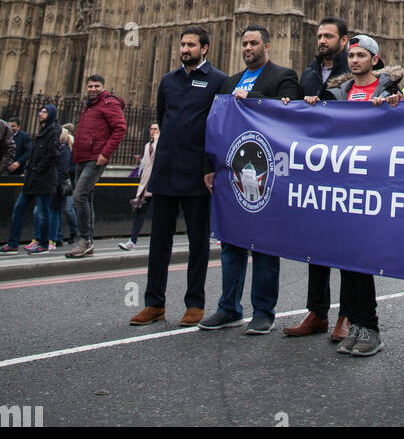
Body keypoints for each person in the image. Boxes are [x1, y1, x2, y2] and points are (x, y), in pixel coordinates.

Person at [199, 25, 300, 334]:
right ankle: (228, 307)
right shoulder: (228, 82)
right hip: (232, 173)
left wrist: (252, 97)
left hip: (267, 173)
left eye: (254, 43)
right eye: (244, 43)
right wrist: (210, 166)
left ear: (267, 46)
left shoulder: (284, 77)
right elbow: (216, 125)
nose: (247, 48)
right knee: (231, 243)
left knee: (265, 244)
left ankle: (263, 311)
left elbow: (288, 113)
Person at [129, 26, 224, 328]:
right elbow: (161, 116)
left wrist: (211, 167)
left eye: (191, 45)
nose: (185, 49)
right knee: (159, 243)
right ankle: (153, 303)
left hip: (197, 172)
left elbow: (218, 127)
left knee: (198, 243)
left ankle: (194, 303)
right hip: (166, 171)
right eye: (183, 44)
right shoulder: (168, 81)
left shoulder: (218, 81)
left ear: (204, 48)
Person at [325, 34, 404, 357]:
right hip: (344, 185)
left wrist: (396, 107)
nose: (355, 60)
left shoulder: (389, 91)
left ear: (375, 59)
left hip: (373, 186)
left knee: (363, 257)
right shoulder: (339, 93)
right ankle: (355, 322)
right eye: (351, 55)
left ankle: (370, 326)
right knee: (348, 258)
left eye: (361, 55)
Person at [284, 16, 352, 342]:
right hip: (316, 169)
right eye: (320, 35)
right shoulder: (309, 75)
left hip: (349, 169)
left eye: (328, 35)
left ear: (344, 39)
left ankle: (349, 314)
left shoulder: (356, 73)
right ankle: (317, 312)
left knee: (349, 245)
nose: (322, 40)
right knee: (317, 243)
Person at [65, 75, 127, 258]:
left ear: (103, 87)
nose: (92, 89)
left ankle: (84, 239)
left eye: (96, 86)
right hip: (81, 157)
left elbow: (120, 128)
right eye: (90, 86)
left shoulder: (109, 103)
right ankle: (87, 241)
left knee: (79, 196)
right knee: (86, 198)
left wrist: (105, 153)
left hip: (96, 157)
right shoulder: (89, 105)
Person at [2, 105, 59, 253]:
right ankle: (13, 243)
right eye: (40, 111)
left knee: (43, 213)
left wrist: (37, 169)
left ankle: (45, 244)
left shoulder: (53, 132)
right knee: (18, 210)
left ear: (51, 115)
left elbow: (52, 156)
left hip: (43, 179)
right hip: (31, 179)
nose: (40, 114)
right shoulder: (42, 131)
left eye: (44, 112)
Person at [118, 123, 160, 250]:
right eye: (151, 128)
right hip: (145, 184)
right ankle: (132, 241)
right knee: (140, 213)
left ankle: (159, 242)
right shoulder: (147, 145)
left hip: (158, 184)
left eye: (155, 129)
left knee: (160, 215)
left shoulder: (161, 144)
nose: (152, 131)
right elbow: (145, 165)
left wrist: (158, 141)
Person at [49, 126, 78, 248]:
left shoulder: (69, 150)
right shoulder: (58, 149)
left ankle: (74, 232)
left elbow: (73, 168)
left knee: (67, 210)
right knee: (59, 210)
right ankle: (59, 237)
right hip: (62, 183)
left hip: (68, 184)